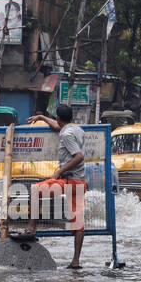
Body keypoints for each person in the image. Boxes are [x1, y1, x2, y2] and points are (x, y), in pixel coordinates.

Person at [15, 104, 86, 268]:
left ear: (59, 118)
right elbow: (56, 126)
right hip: (80, 181)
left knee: (35, 189)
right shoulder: (76, 129)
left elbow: (79, 156)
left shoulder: (67, 134)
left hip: (69, 181)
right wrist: (41, 117)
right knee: (78, 224)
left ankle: (31, 228)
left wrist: (57, 172)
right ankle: (75, 262)